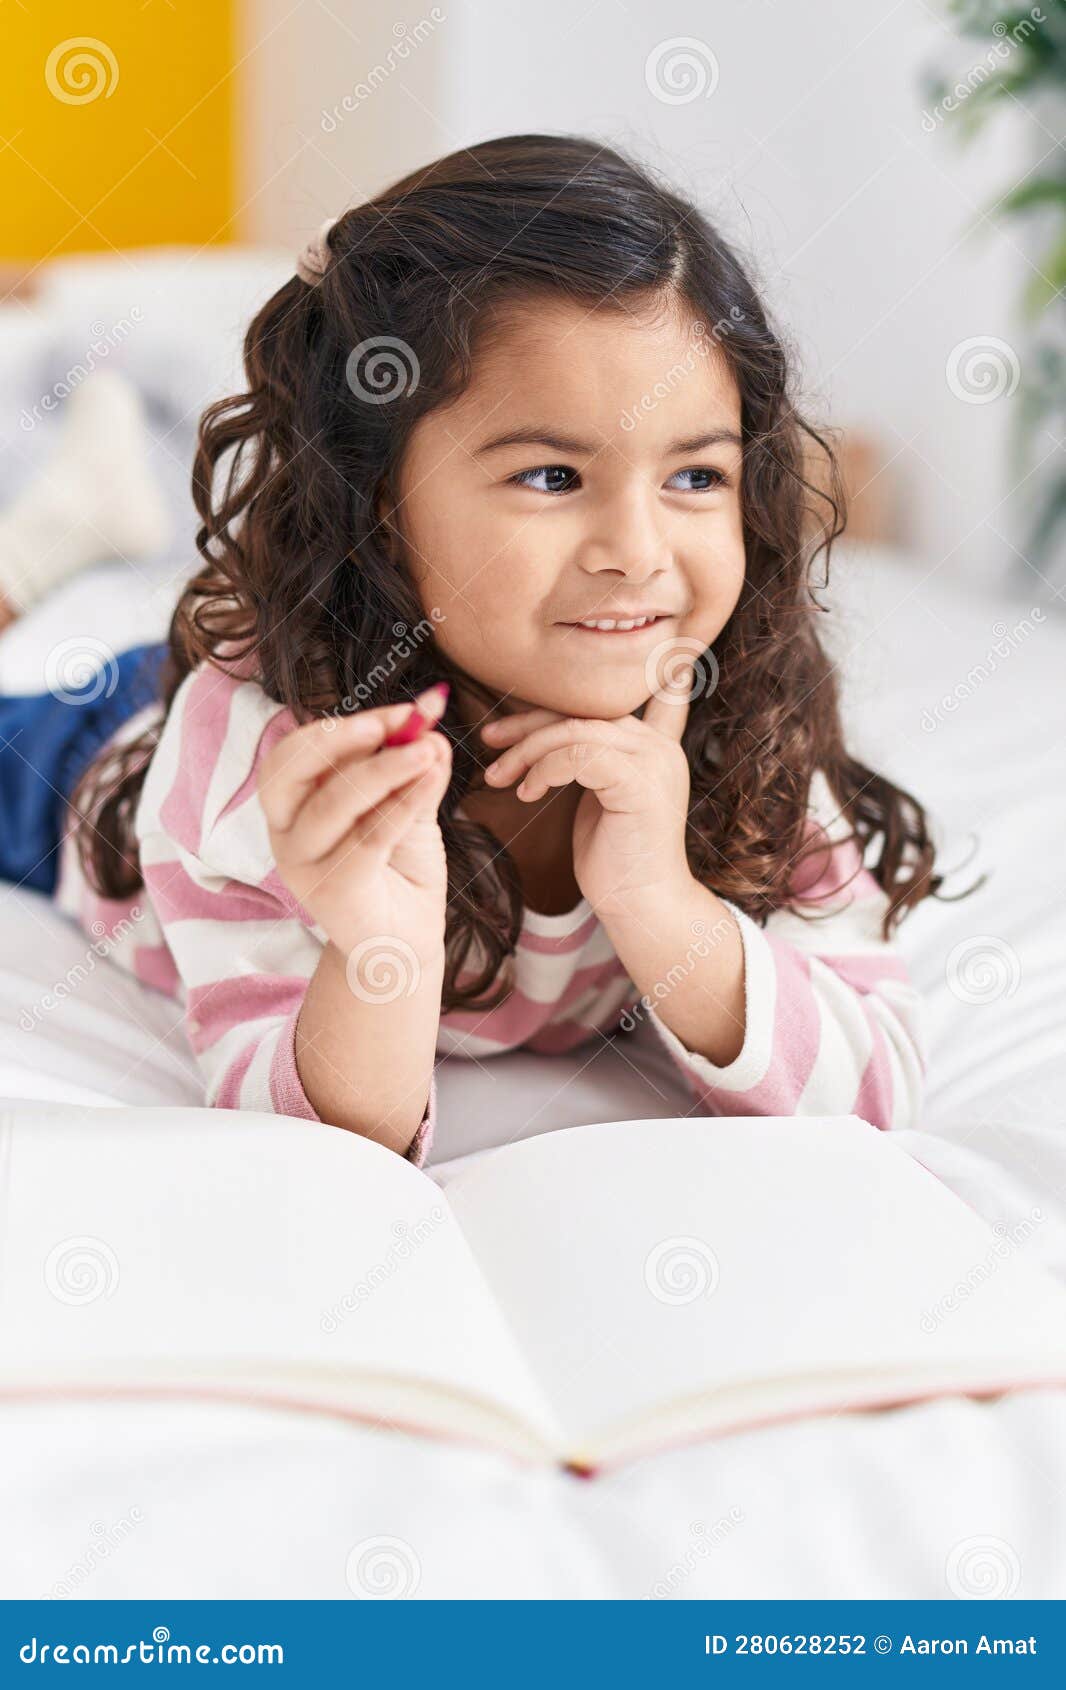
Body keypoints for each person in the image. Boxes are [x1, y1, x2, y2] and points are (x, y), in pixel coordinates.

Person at [0, 134, 953, 1167]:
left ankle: (77, 514)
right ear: (376, 502)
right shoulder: (246, 756)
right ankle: (52, 539)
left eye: (694, 478)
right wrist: (380, 949)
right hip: (114, 757)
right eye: (550, 477)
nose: (637, 555)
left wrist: (662, 902)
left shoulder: (737, 726)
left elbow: (872, 1090)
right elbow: (310, 1150)